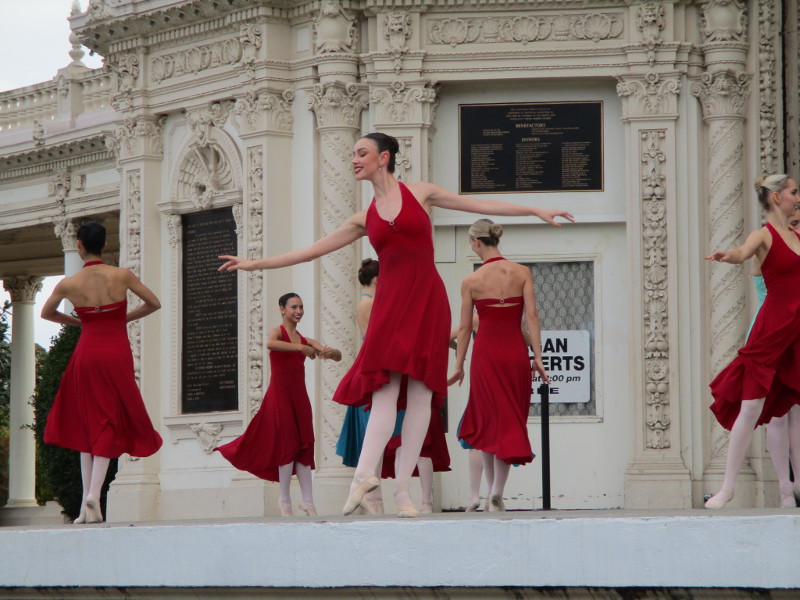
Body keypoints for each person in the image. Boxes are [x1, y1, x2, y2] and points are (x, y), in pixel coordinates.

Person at [220, 132, 573, 517]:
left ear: (383, 158)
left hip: (427, 301)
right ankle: (363, 479)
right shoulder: (363, 217)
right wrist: (255, 264)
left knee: (422, 396)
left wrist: (534, 212)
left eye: (362, 153)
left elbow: (477, 203)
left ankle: (402, 490)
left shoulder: (420, 192)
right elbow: (310, 252)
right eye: (353, 154)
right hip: (391, 304)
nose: (354, 159)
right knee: (384, 392)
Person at [41, 221, 162, 524]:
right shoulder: (121, 275)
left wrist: (80, 323)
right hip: (115, 352)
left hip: (87, 352)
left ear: (79, 245)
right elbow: (154, 303)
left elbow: (47, 313)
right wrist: (125, 317)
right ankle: (93, 497)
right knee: (107, 418)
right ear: (105, 245)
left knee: (87, 422)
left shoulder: (69, 283)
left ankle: (87, 503)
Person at [704, 174, 800, 509]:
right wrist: (725, 255)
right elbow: (742, 252)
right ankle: (727, 488)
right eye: (793, 192)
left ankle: (792, 489)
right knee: (751, 406)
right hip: (773, 328)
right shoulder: (763, 234)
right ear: (776, 197)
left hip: (798, 330)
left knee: (793, 408)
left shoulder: (798, 235)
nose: (797, 197)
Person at [448, 219, 549, 511]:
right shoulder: (521, 272)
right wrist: (538, 357)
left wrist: (458, 365)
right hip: (514, 354)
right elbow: (532, 316)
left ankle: (493, 491)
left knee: (487, 422)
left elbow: (465, 329)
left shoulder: (471, 281)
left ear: (476, 242)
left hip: (486, 356)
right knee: (509, 420)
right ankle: (496, 492)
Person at [217, 293, 341, 517]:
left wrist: (331, 353)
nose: (299, 311)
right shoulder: (279, 333)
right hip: (280, 396)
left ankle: (308, 502)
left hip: (299, 397)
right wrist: (300, 349)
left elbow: (333, 354)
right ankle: (284, 501)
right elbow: (270, 343)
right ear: (282, 309)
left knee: (304, 445)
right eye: (294, 307)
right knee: (287, 445)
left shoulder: (305, 339)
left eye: (301, 307)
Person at [751, 210, 800, 507]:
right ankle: (784, 488)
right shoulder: (769, 249)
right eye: (792, 223)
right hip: (771, 335)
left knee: (797, 412)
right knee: (778, 415)